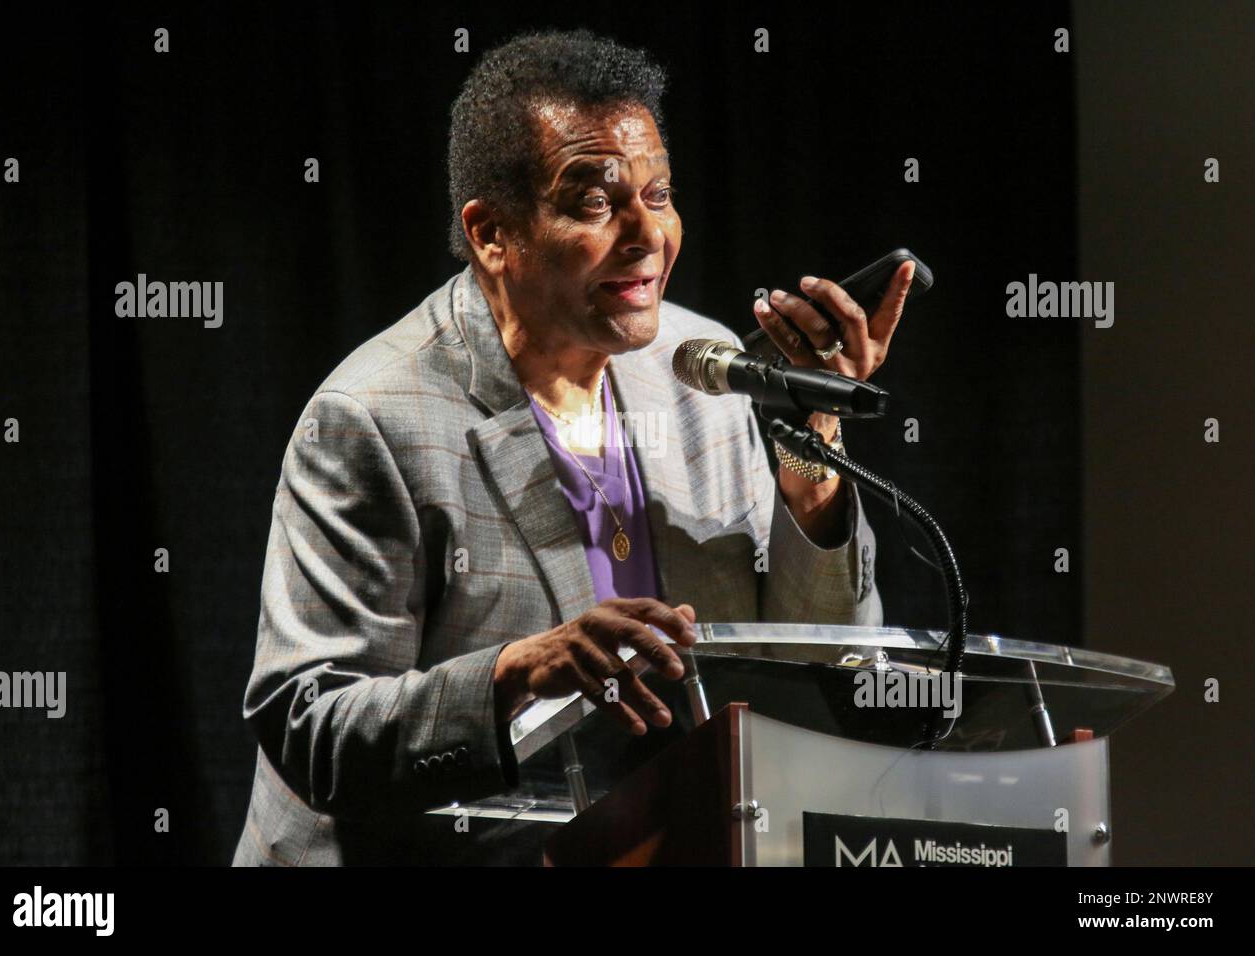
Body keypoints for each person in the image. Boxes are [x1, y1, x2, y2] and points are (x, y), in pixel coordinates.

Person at [233, 28, 911, 866]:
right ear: (491, 235)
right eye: (596, 201)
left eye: (658, 194)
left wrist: (814, 446)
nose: (646, 235)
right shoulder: (375, 417)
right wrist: (516, 674)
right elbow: (310, 723)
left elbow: (821, 672)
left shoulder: (703, 375)